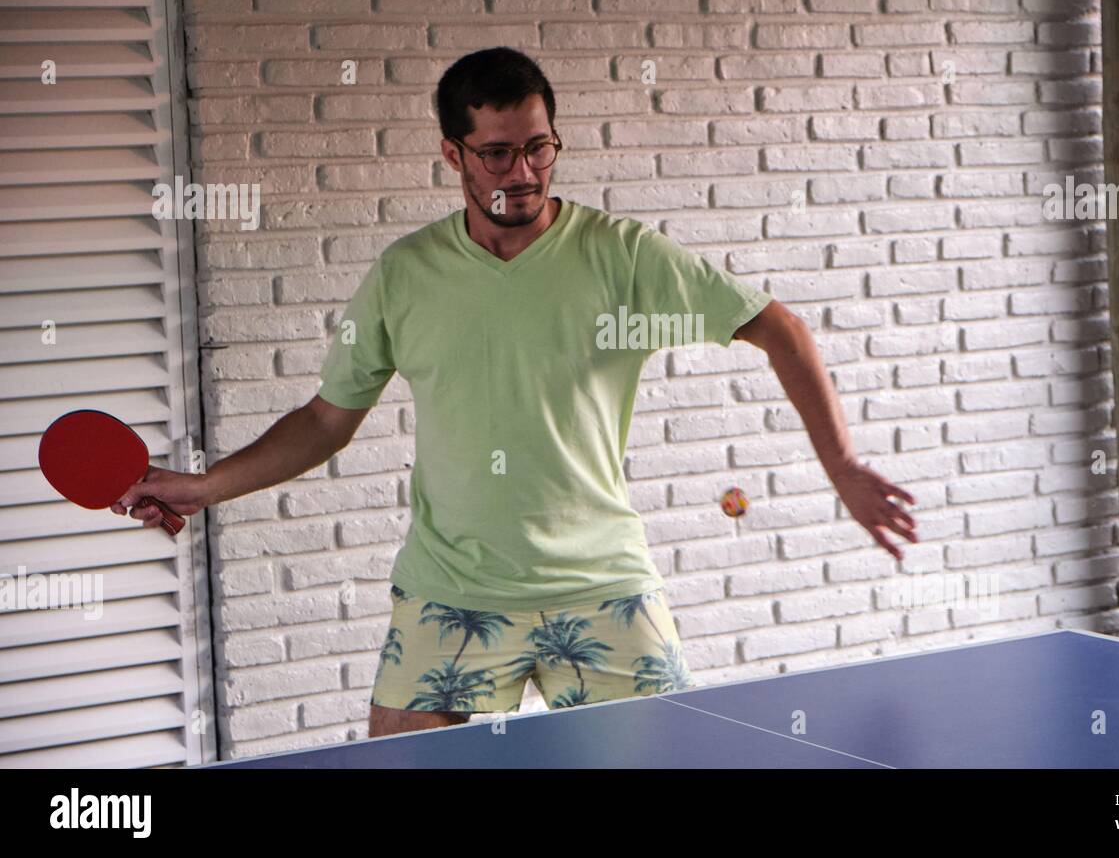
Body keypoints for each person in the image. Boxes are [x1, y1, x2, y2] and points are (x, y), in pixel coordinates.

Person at [114, 46, 918, 738]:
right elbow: (327, 420)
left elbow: (779, 329)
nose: (523, 171)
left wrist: (842, 465)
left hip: (601, 584)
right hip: (450, 591)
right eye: (497, 152)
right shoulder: (405, 275)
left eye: (540, 147)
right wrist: (205, 486)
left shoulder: (624, 255)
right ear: (452, 153)